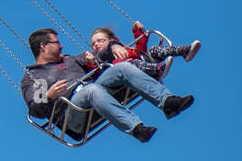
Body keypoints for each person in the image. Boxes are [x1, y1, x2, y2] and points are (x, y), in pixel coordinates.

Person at [21, 28, 195, 143]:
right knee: (92, 89)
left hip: (95, 94)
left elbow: (98, 57)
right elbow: (37, 110)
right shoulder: (37, 76)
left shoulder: (71, 60)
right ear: (44, 46)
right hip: (72, 112)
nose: (61, 46)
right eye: (57, 43)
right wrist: (50, 95)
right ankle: (137, 129)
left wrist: (112, 46)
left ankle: (168, 103)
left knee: (122, 67)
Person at [89, 23, 201, 78]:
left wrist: (139, 32)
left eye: (100, 41)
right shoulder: (100, 62)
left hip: (142, 61)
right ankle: (158, 70)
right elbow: (97, 72)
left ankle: (183, 51)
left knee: (153, 50)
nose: (96, 45)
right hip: (127, 72)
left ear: (112, 40)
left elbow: (140, 50)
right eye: (93, 44)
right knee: (130, 63)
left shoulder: (123, 49)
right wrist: (91, 62)